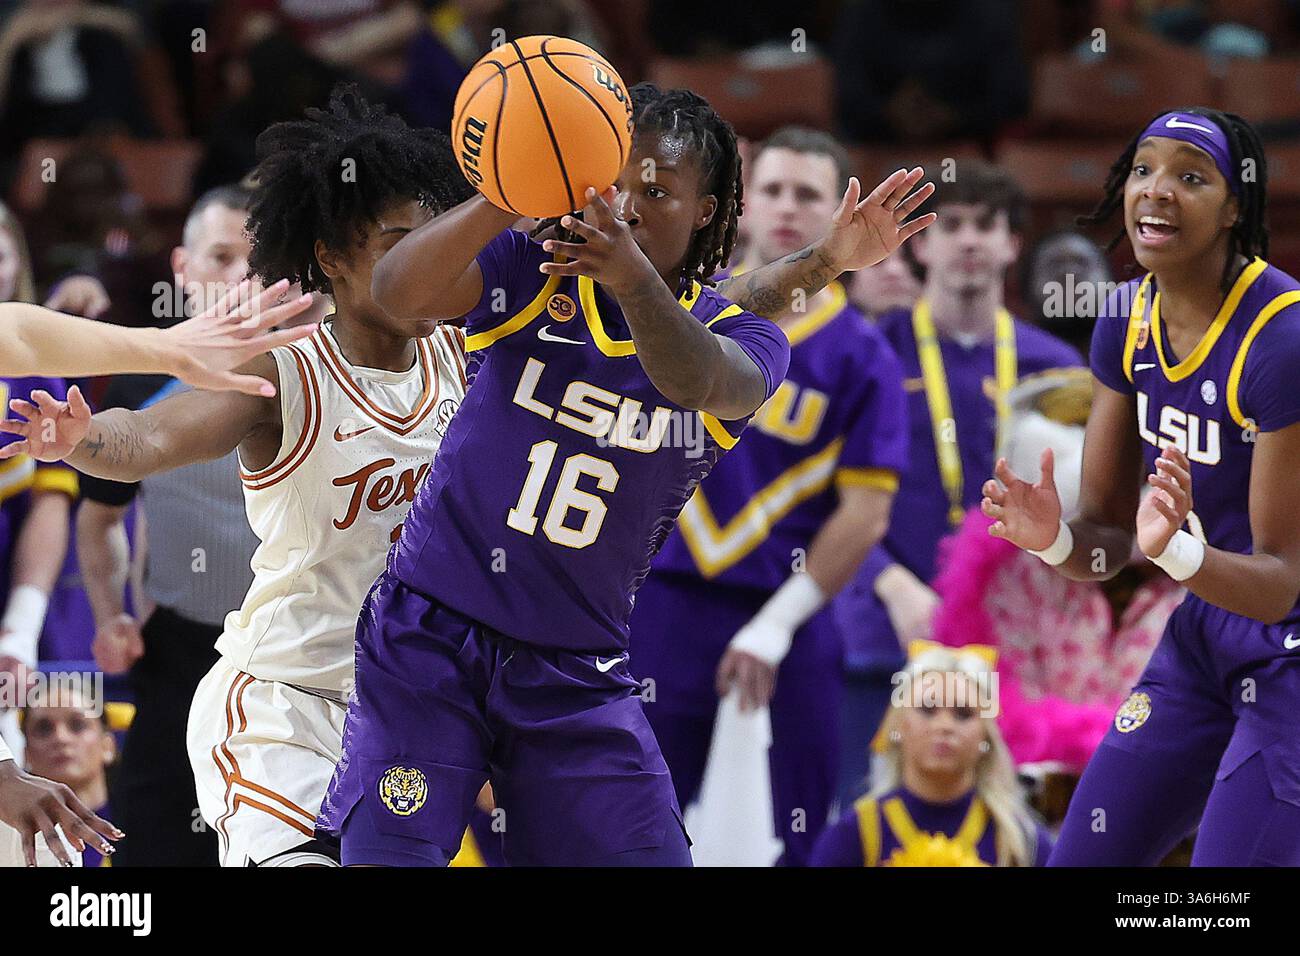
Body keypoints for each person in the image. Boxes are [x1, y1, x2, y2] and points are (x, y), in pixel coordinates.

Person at [318, 81, 933, 866]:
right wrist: (507, 191)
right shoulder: (533, 269)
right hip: (430, 637)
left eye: (658, 189)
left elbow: (696, 378)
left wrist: (651, 274)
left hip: (574, 670)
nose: (631, 202)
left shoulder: (745, 339)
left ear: (706, 212)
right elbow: (395, 289)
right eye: (619, 178)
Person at [4, 89, 475, 867]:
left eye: (433, 243)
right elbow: (147, 435)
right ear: (332, 255)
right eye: (396, 243)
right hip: (280, 708)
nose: (422, 265)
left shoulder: (469, 361)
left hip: (410, 713)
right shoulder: (284, 369)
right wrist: (84, 438)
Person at [986, 107, 1300, 866]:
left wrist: (1182, 556)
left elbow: (1280, 584)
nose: (1156, 191)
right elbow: (1109, 538)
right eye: (1143, 169)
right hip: (1203, 636)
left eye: (1190, 177)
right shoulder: (1124, 317)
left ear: (1235, 208)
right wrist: (1055, 538)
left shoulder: (1283, 340)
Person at [629, 126, 910, 866]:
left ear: (839, 216)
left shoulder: (865, 356)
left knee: (799, 832)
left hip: (789, 613)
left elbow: (867, 512)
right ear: (744, 206)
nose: (787, 207)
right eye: (775, 189)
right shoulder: (683, 312)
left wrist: (777, 626)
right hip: (662, 596)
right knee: (630, 816)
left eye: (809, 194)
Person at [833, 162, 1083, 807]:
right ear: (920, 243)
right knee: (869, 817)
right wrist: (887, 584)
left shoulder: (1056, 370)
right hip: (885, 617)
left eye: (988, 225)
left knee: (1007, 822)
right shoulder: (869, 350)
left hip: (1010, 636)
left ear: (1012, 244)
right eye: (953, 225)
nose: (970, 240)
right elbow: (827, 489)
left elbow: (1081, 507)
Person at [811, 643, 1053, 867]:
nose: (944, 726)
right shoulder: (855, 834)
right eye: (927, 710)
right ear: (897, 727)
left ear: (986, 738)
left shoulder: (1021, 841)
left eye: (963, 714)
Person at [18, 685, 116, 867]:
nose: (61, 738)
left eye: (77, 725)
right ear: (26, 754)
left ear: (107, 745)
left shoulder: (151, 821)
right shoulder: (12, 832)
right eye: (44, 729)